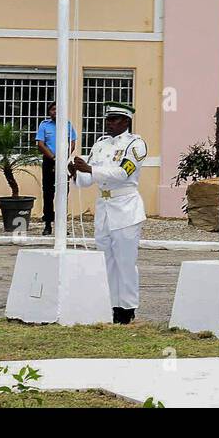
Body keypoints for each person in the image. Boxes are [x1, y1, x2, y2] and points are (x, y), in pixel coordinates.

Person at [72, 101, 146, 324]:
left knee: (125, 261)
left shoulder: (136, 144)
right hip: (103, 208)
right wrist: (76, 173)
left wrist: (91, 169)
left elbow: (123, 173)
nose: (109, 124)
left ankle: (128, 307)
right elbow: (87, 181)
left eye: (114, 120)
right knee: (106, 260)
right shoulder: (101, 144)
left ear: (126, 121)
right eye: (108, 119)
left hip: (125, 207)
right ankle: (112, 304)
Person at [35, 102, 77, 236]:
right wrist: (53, 158)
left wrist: (64, 157)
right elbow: (40, 144)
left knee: (63, 193)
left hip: (64, 162)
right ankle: (48, 224)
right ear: (49, 112)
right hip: (49, 161)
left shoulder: (68, 125)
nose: (55, 112)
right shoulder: (44, 125)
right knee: (48, 193)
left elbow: (72, 142)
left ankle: (62, 225)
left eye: (58, 110)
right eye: (53, 109)